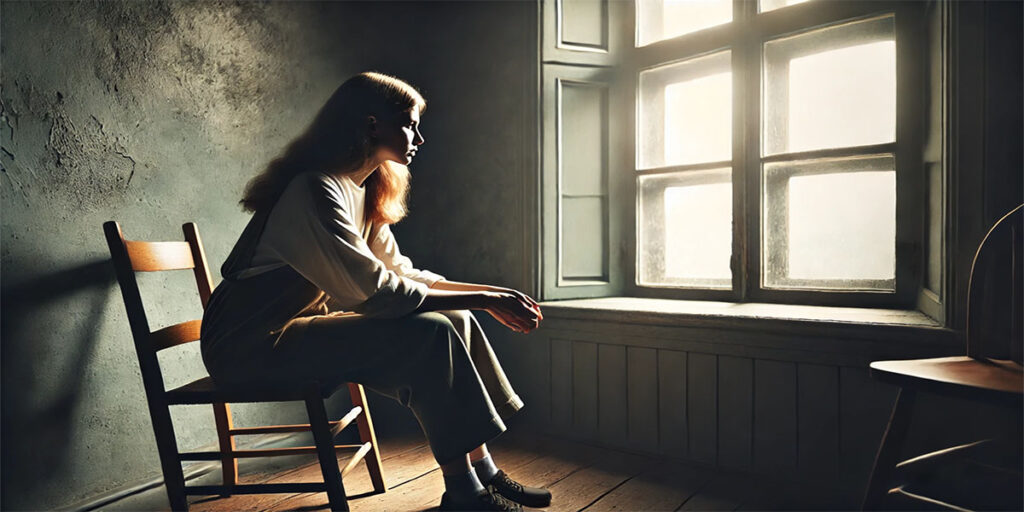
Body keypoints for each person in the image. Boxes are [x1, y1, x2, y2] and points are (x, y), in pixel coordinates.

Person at [199, 71, 548, 512]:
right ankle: (465, 493)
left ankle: (484, 475)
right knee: (430, 333)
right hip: (246, 346)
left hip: (291, 331)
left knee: (454, 319)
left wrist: (490, 294)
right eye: (409, 123)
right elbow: (379, 292)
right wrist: (485, 299)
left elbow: (402, 273)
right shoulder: (313, 188)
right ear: (370, 126)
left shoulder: (364, 191)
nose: (419, 136)